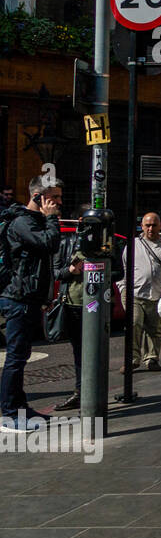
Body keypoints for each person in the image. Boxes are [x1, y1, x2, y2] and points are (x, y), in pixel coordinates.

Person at [0, 176, 63, 429]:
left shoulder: (33, 222)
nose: (59, 202)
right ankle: (8, 413)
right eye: (54, 197)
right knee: (15, 358)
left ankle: (20, 407)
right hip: (18, 298)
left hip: (28, 298)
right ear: (38, 197)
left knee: (21, 355)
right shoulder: (23, 222)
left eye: (59, 196)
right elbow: (50, 243)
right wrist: (51, 218)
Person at [123, 212, 161, 373]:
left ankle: (151, 359)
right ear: (142, 227)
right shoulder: (133, 244)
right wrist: (123, 289)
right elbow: (125, 268)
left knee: (154, 329)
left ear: (160, 226)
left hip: (158, 295)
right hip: (135, 294)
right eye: (147, 225)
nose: (150, 228)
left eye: (154, 225)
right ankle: (132, 360)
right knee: (134, 324)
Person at [51, 204, 93, 412]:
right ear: (79, 222)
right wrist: (71, 270)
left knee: (96, 351)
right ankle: (80, 392)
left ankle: (94, 392)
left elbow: (120, 272)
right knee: (79, 352)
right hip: (73, 305)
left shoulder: (105, 245)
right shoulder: (67, 241)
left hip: (97, 306)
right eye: (86, 222)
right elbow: (56, 272)